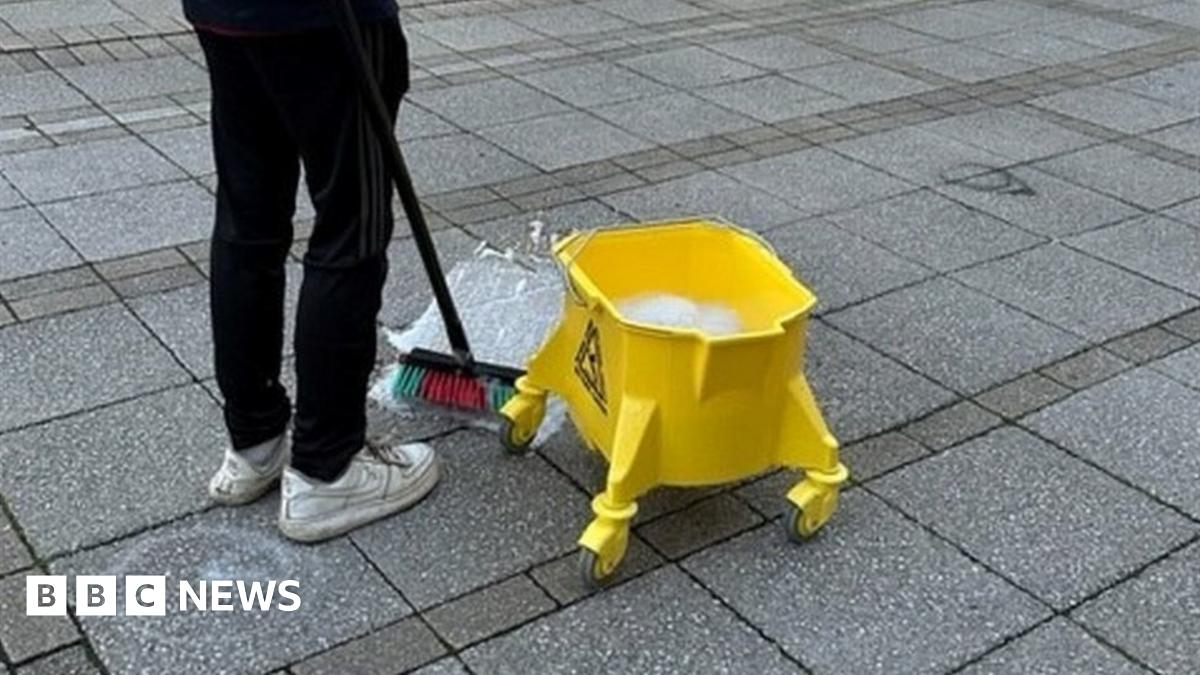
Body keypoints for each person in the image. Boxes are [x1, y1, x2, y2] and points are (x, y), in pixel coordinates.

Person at [182, 0, 439, 542]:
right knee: (353, 226)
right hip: (327, 16)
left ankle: (255, 443)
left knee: (248, 224)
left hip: (223, 12)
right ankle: (328, 468)